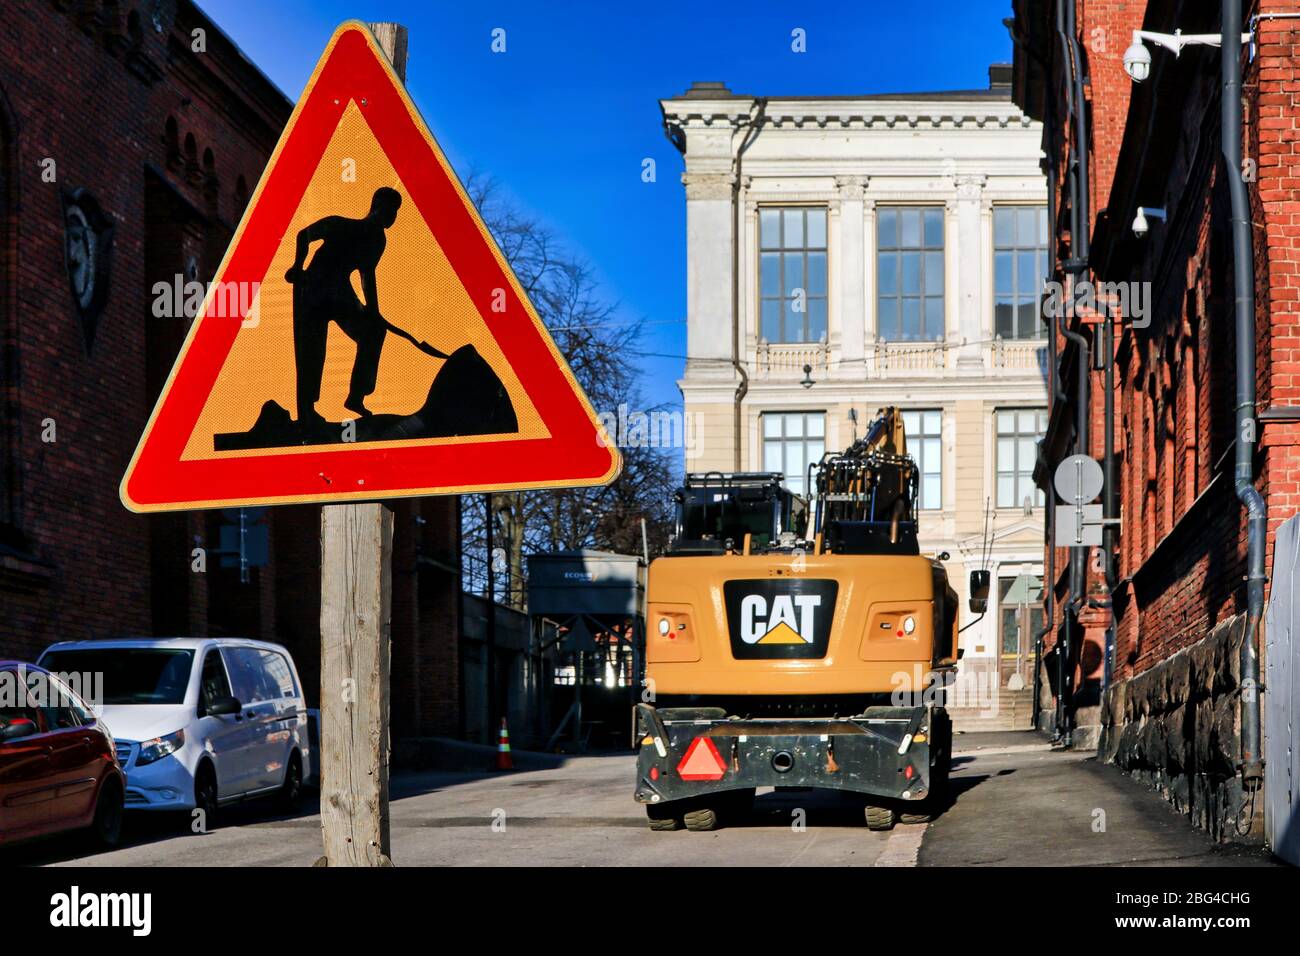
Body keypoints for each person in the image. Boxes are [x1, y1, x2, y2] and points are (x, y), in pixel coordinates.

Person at [284, 186, 402, 423]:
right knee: (313, 351)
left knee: (373, 331)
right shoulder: (341, 225)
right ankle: (307, 410)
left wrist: (374, 311)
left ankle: (356, 395)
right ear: (378, 208)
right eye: (391, 210)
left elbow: (367, 274)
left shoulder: (378, 240)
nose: (393, 217)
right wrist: (298, 267)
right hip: (315, 289)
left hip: (340, 293)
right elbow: (303, 235)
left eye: (396, 212)